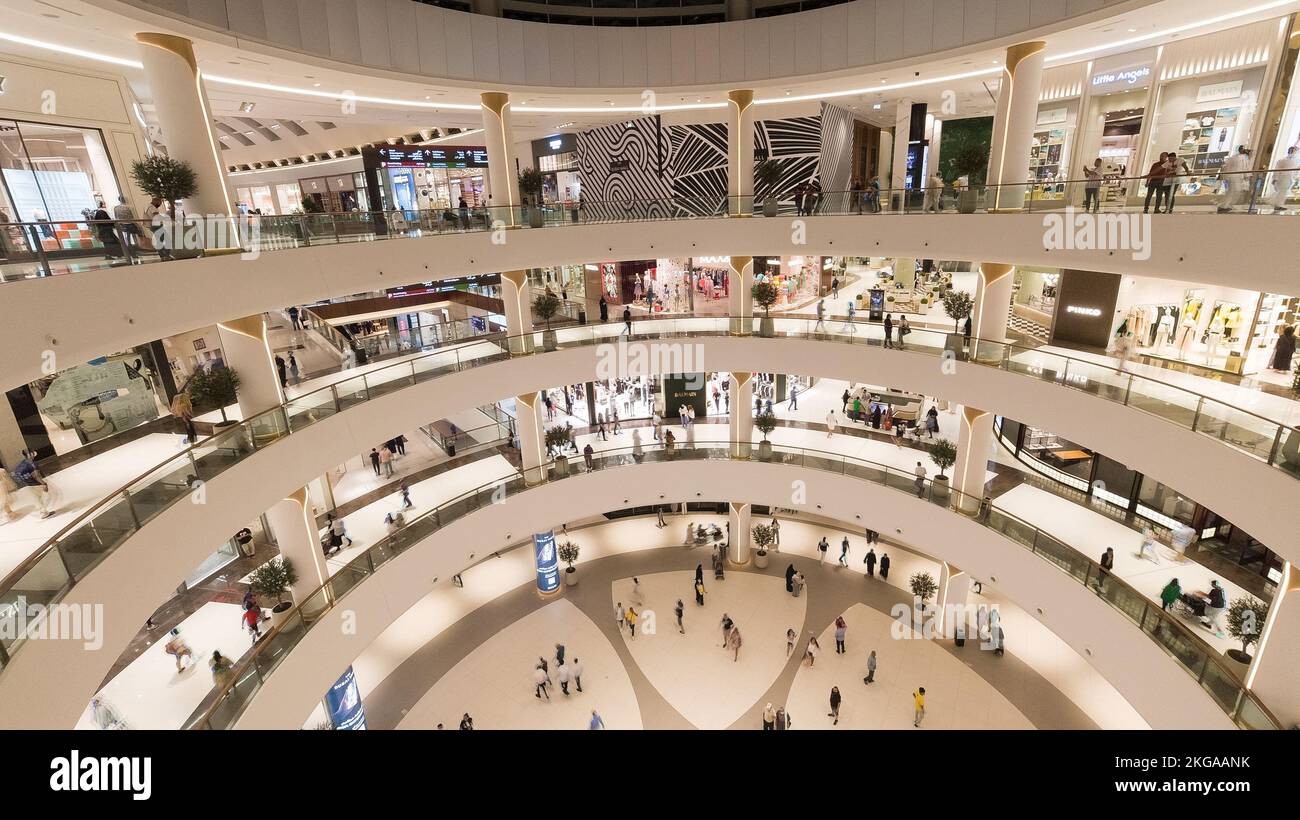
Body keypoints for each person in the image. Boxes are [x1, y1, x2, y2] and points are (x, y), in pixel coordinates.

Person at [1217, 146, 1252, 213]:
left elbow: (1226, 167)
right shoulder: (1244, 158)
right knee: (1234, 191)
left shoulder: (1233, 157)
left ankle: (1226, 205)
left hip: (1232, 177)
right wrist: (1247, 177)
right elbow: (1246, 168)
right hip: (1237, 177)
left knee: (1233, 191)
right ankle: (1224, 206)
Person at [1269, 145, 1300, 212]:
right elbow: (1277, 169)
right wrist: (1275, 178)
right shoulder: (1282, 160)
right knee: (1281, 192)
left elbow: (1294, 170)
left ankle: (1278, 204)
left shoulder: (1293, 161)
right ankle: (1278, 205)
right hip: (1283, 178)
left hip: (1288, 178)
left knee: (1283, 192)